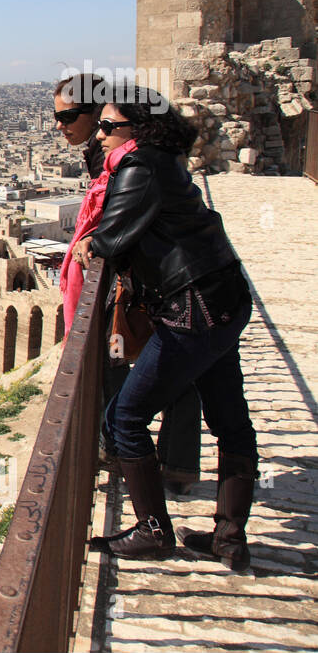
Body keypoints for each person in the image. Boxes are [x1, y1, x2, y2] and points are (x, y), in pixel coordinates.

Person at [76, 86, 256, 569]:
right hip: (225, 298)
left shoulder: (139, 167)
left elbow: (111, 237)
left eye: (109, 127)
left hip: (191, 311)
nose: (100, 135)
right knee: (231, 423)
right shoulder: (167, 160)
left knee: (125, 417)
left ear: (138, 128)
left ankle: (154, 531)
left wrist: (89, 245)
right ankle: (230, 538)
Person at [56, 74, 202, 495]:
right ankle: (172, 466)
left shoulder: (132, 159)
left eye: (67, 115)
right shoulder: (120, 152)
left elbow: (122, 221)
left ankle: (132, 467)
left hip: (168, 285)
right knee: (180, 373)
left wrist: (97, 241)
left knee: (126, 364)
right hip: (174, 284)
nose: (60, 125)